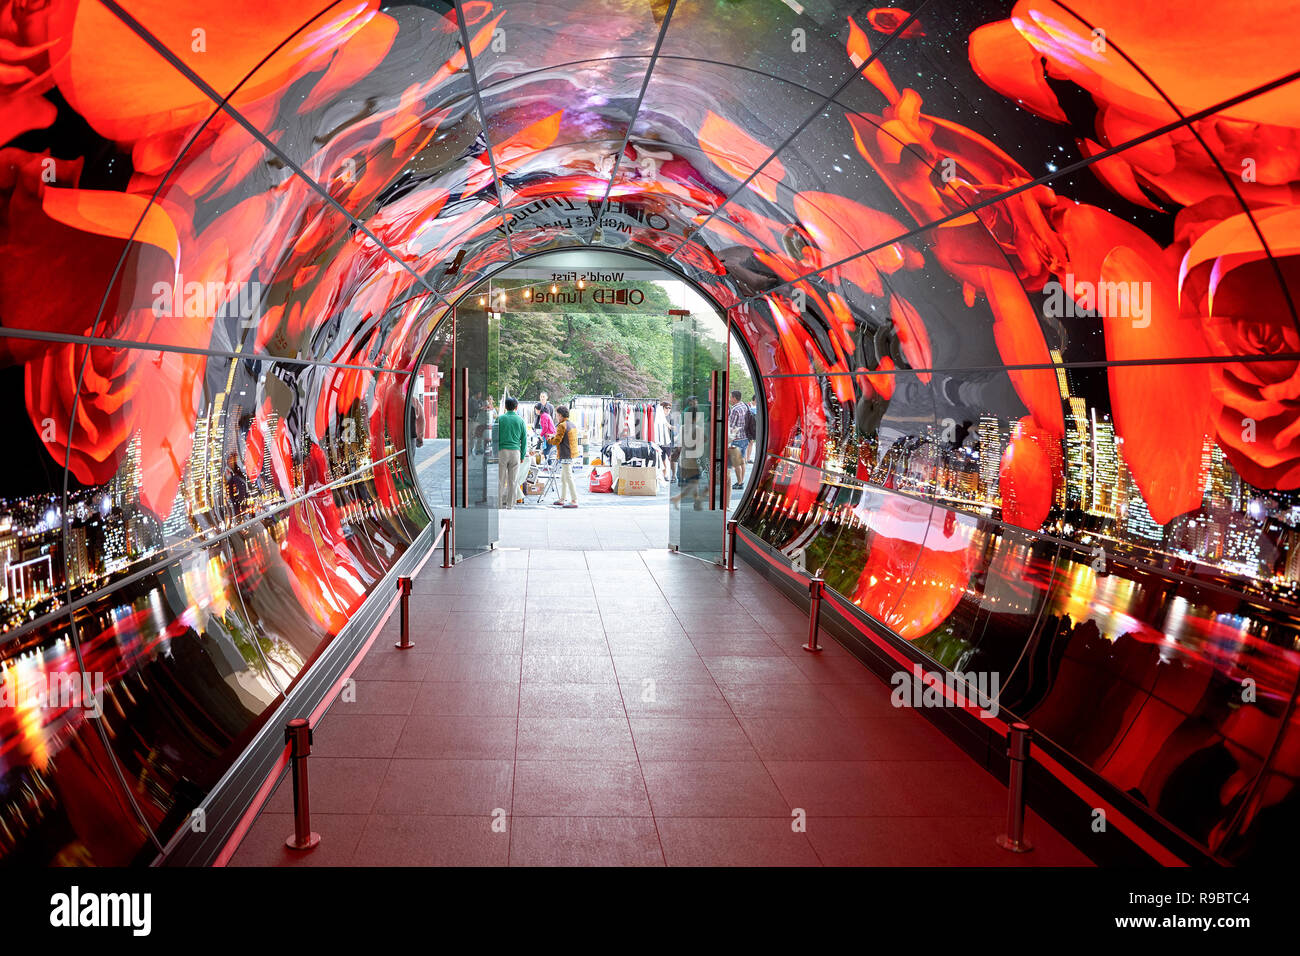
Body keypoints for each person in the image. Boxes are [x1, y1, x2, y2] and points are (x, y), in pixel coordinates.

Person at [496, 396, 527, 509]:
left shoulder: (500, 419)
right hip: (515, 452)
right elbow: (524, 440)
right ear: (516, 407)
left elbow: (495, 436)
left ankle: (499, 505)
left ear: (505, 407)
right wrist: (522, 455)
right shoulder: (520, 420)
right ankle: (510, 505)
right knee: (513, 481)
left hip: (502, 452)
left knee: (500, 480)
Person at [548, 404, 581, 508]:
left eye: (557, 415)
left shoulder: (562, 425)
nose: (556, 417)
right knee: (563, 478)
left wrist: (549, 439)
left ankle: (574, 500)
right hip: (571, 453)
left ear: (561, 415)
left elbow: (557, 441)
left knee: (569, 477)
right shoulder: (572, 424)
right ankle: (562, 498)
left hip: (566, 454)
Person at [727, 389, 750, 489]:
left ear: (735, 398)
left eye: (731, 397)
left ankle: (740, 483)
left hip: (736, 439)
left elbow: (731, 425)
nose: (729, 399)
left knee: (736, 463)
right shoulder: (745, 406)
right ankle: (741, 480)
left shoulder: (735, 409)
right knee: (742, 461)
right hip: (745, 437)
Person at [654, 399, 675, 482]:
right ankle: (664, 475)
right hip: (660, 441)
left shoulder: (671, 416)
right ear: (662, 408)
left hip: (669, 441)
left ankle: (673, 476)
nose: (668, 409)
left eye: (670, 408)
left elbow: (672, 427)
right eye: (667, 408)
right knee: (662, 460)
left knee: (671, 458)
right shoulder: (658, 416)